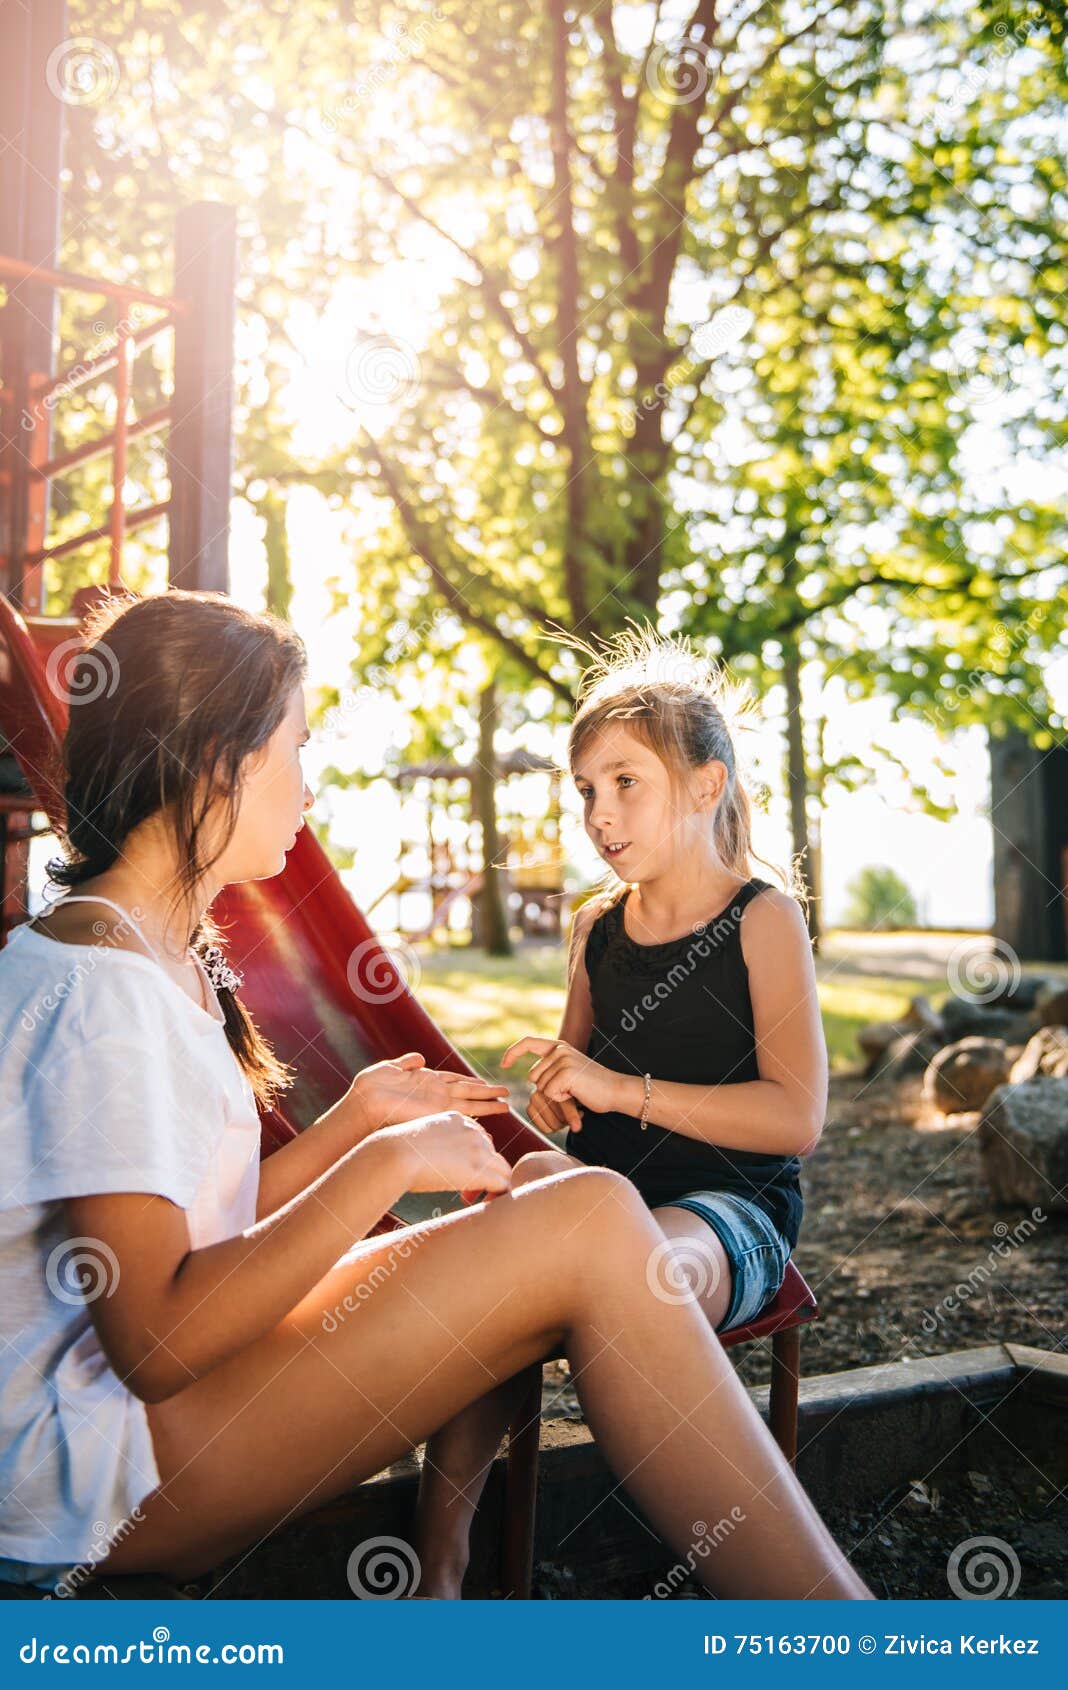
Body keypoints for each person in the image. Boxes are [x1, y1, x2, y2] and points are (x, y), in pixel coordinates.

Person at [0, 592, 871, 1602]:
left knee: (567, 1209)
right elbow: (158, 1341)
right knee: (588, 1215)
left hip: (131, 1425)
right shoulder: (101, 988)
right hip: (90, 1466)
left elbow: (199, 1225)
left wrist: (357, 1119)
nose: (311, 789)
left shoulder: (149, 951)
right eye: (298, 749)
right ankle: (837, 1634)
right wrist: (386, 1162)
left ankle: (460, 1580)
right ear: (219, 763)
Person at [416, 628, 830, 1598]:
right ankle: (438, 1572)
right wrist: (560, 1093)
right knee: (502, 1229)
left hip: (728, 1213)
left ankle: (748, 1574)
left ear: (704, 784)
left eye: (624, 782)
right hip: (602, 1193)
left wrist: (621, 1091)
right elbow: (576, 1089)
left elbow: (796, 1117)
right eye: (585, 791)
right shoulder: (595, 927)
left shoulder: (762, 919)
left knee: (639, 1271)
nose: (599, 813)